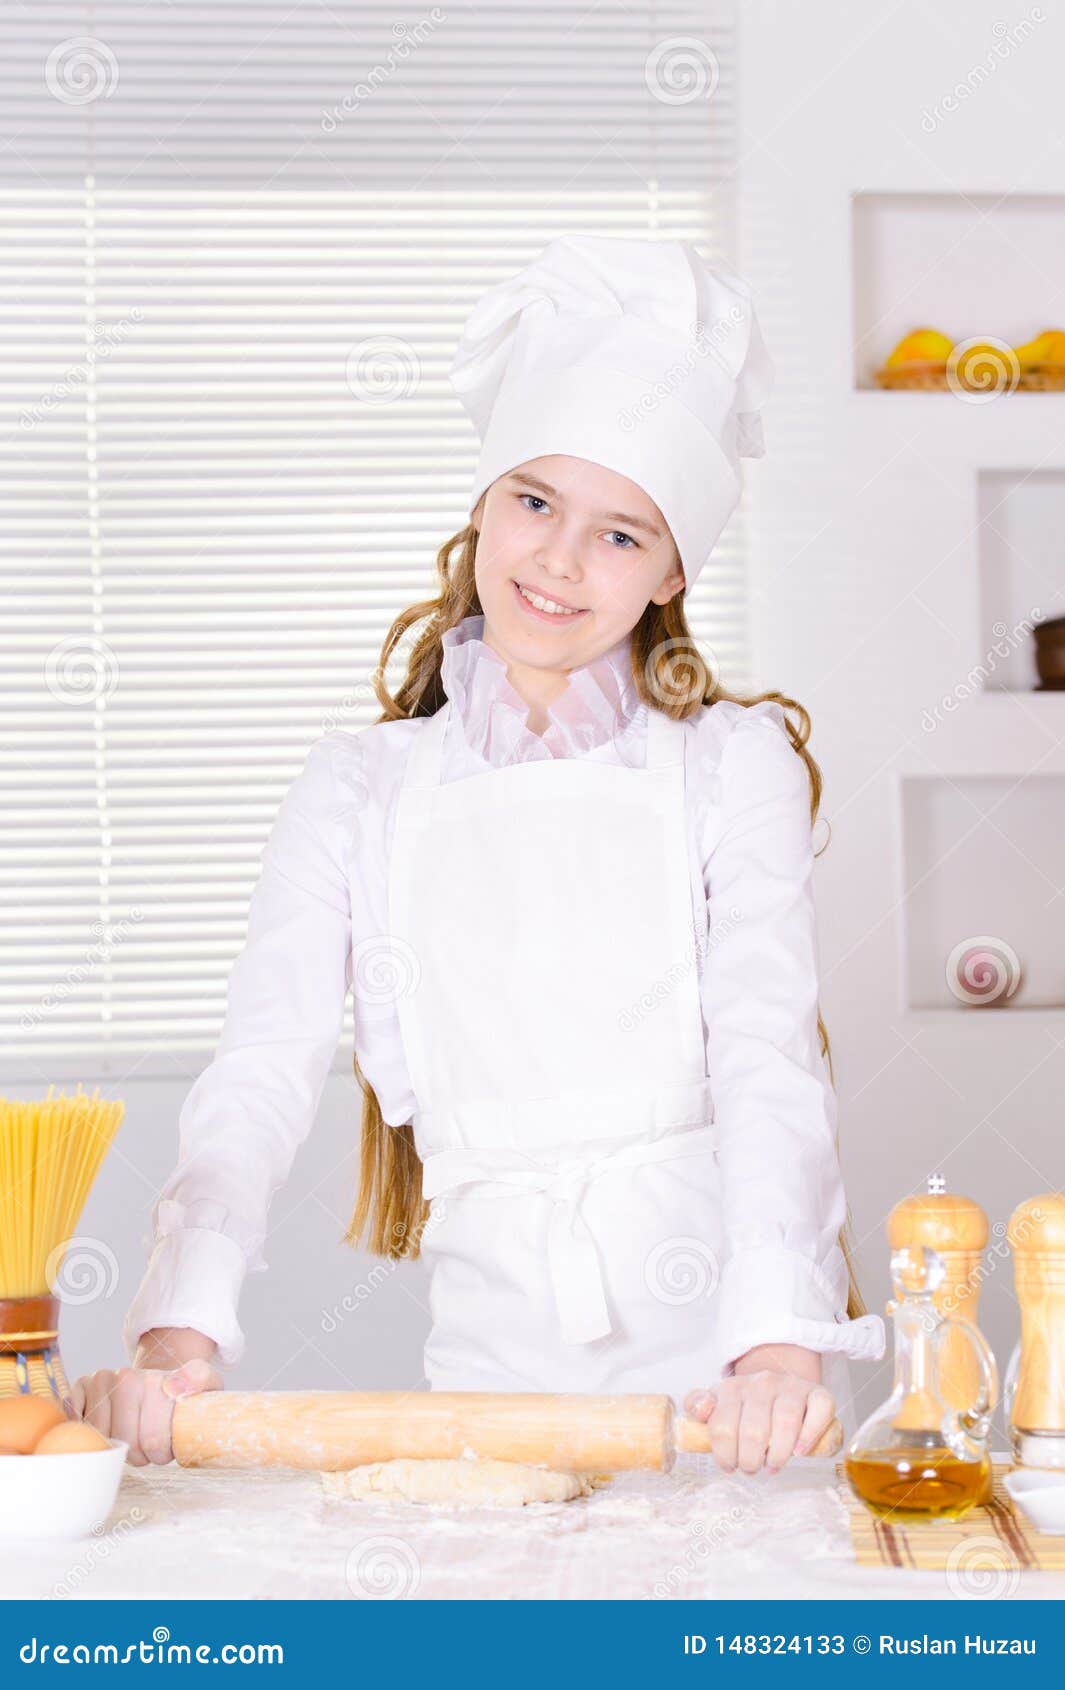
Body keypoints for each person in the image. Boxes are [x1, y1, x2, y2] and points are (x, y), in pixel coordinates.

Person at [71, 235, 885, 1475]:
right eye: (537, 501)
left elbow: (770, 1056)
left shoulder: (730, 763)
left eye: (621, 535)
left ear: (673, 569)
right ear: (485, 501)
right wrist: (178, 1325)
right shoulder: (360, 789)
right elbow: (263, 1070)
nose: (559, 559)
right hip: (484, 1389)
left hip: (728, 1391)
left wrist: (778, 1348)